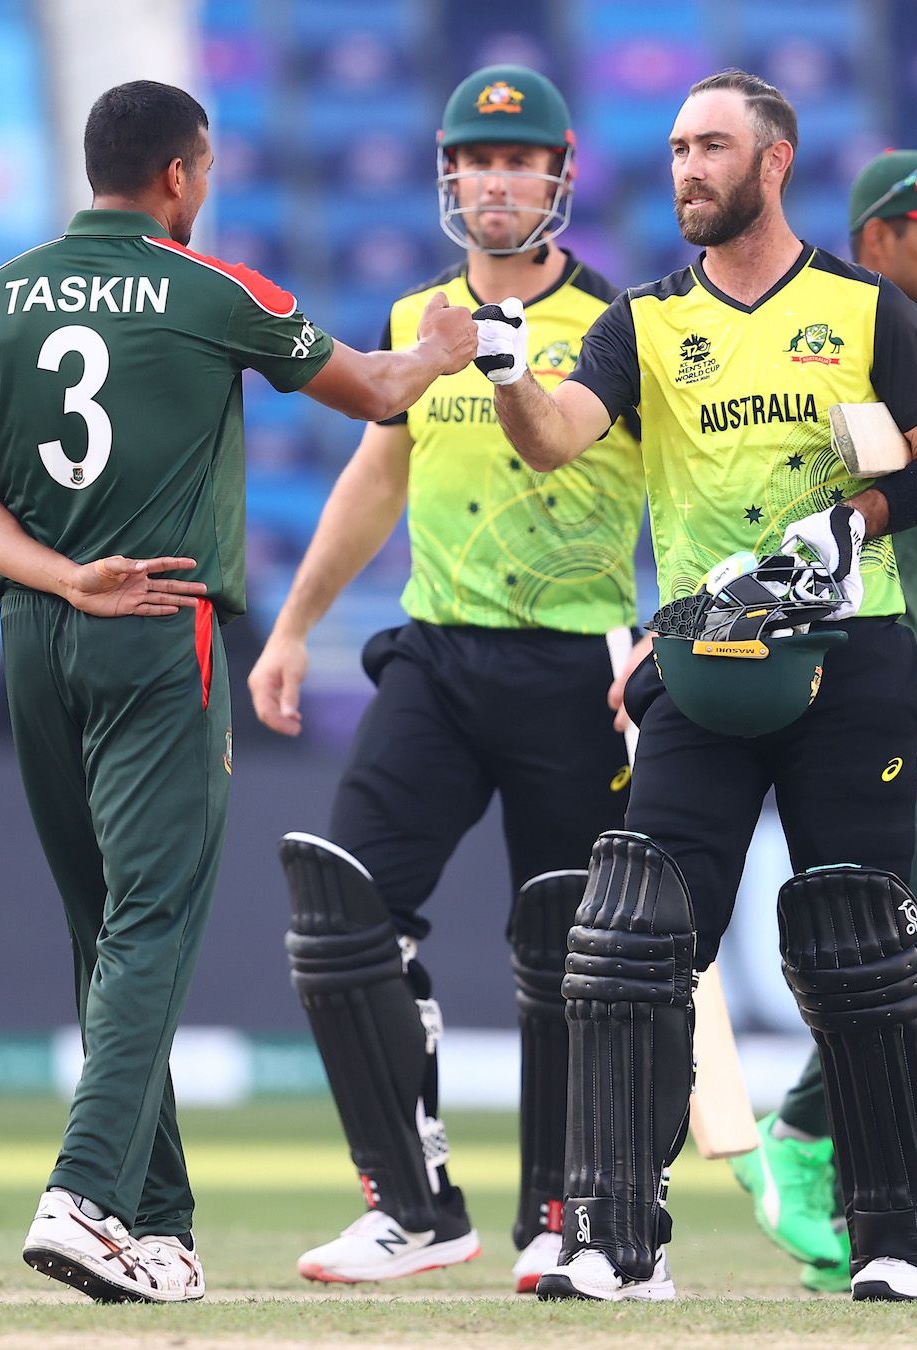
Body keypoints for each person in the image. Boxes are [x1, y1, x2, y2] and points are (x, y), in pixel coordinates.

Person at [0, 79, 475, 1305]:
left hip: (38, 632)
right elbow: (376, 391)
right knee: (156, 922)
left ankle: (155, 1226)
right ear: (179, 175)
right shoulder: (208, 286)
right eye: (206, 170)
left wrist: (65, 577)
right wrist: (441, 348)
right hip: (162, 628)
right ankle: (83, 1194)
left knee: (104, 932)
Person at [475, 68, 917, 1303]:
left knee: (862, 942)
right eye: (673, 149)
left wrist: (851, 525)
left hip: (848, 657)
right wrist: (502, 371)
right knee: (634, 939)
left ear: (772, 163)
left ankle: (904, 1241)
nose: (685, 167)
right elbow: (554, 437)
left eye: (709, 147)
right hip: (700, 661)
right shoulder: (642, 322)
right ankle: (611, 1238)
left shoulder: (861, 308)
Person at [247, 65, 645, 1294]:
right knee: (342, 913)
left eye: (518, 160)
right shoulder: (420, 313)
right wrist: (292, 626)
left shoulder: (625, 323)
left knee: (568, 955)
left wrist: (664, 631)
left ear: (558, 178)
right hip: (434, 653)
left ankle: (564, 1212)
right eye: (475, 159)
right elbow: (374, 482)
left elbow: (688, 494)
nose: (495, 180)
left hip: (578, 666)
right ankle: (413, 1209)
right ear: (447, 175)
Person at [727, 147, 917, 1294]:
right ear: (872, 241)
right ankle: (798, 1140)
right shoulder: (847, 352)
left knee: (900, 953)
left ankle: (874, 1215)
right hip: (846, 672)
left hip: (909, 682)